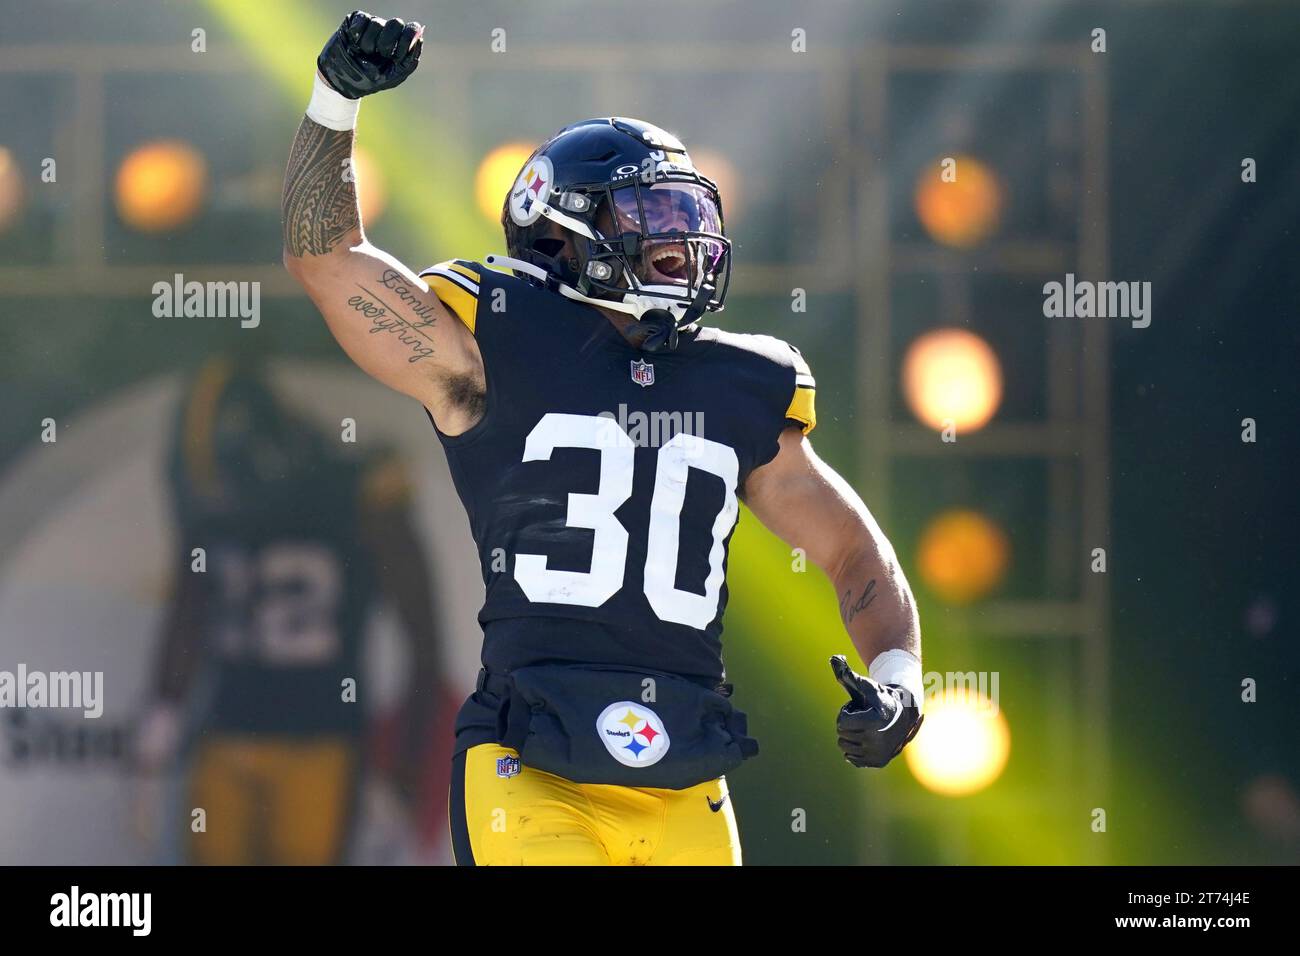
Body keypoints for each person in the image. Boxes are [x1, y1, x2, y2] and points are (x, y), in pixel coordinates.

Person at [282, 11, 924, 865]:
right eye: (650, 209)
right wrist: (335, 104)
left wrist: (899, 679)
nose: (680, 236)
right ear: (565, 227)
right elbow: (326, 258)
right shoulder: (492, 342)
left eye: (686, 209)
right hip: (533, 758)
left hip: (687, 772)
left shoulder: (741, 382)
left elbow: (853, 551)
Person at [134, 355, 450, 865]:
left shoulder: (357, 496)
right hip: (232, 730)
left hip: (317, 740)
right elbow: (191, 604)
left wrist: (406, 768)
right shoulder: (346, 491)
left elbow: (423, 638)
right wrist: (166, 710)